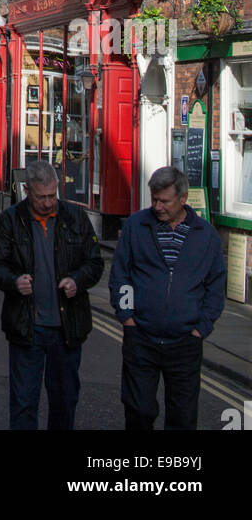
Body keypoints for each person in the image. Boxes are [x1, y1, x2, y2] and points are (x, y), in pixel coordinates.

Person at [0, 160, 103, 430]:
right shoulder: (10, 220)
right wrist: (14, 282)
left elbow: (95, 263)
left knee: (64, 402)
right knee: (24, 402)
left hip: (67, 328)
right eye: (41, 197)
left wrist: (78, 280)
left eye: (53, 195)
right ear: (27, 190)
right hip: (27, 327)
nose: (49, 202)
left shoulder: (76, 218)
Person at [109, 165, 226, 431]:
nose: (158, 206)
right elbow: (121, 276)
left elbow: (215, 287)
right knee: (138, 412)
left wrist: (201, 328)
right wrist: (127, 318)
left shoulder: (206, 235)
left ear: (183, 199)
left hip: (185, 341)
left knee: (183, 419)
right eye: (154, 200)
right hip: (141, 338)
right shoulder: (136, 226)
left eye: (165, 201)